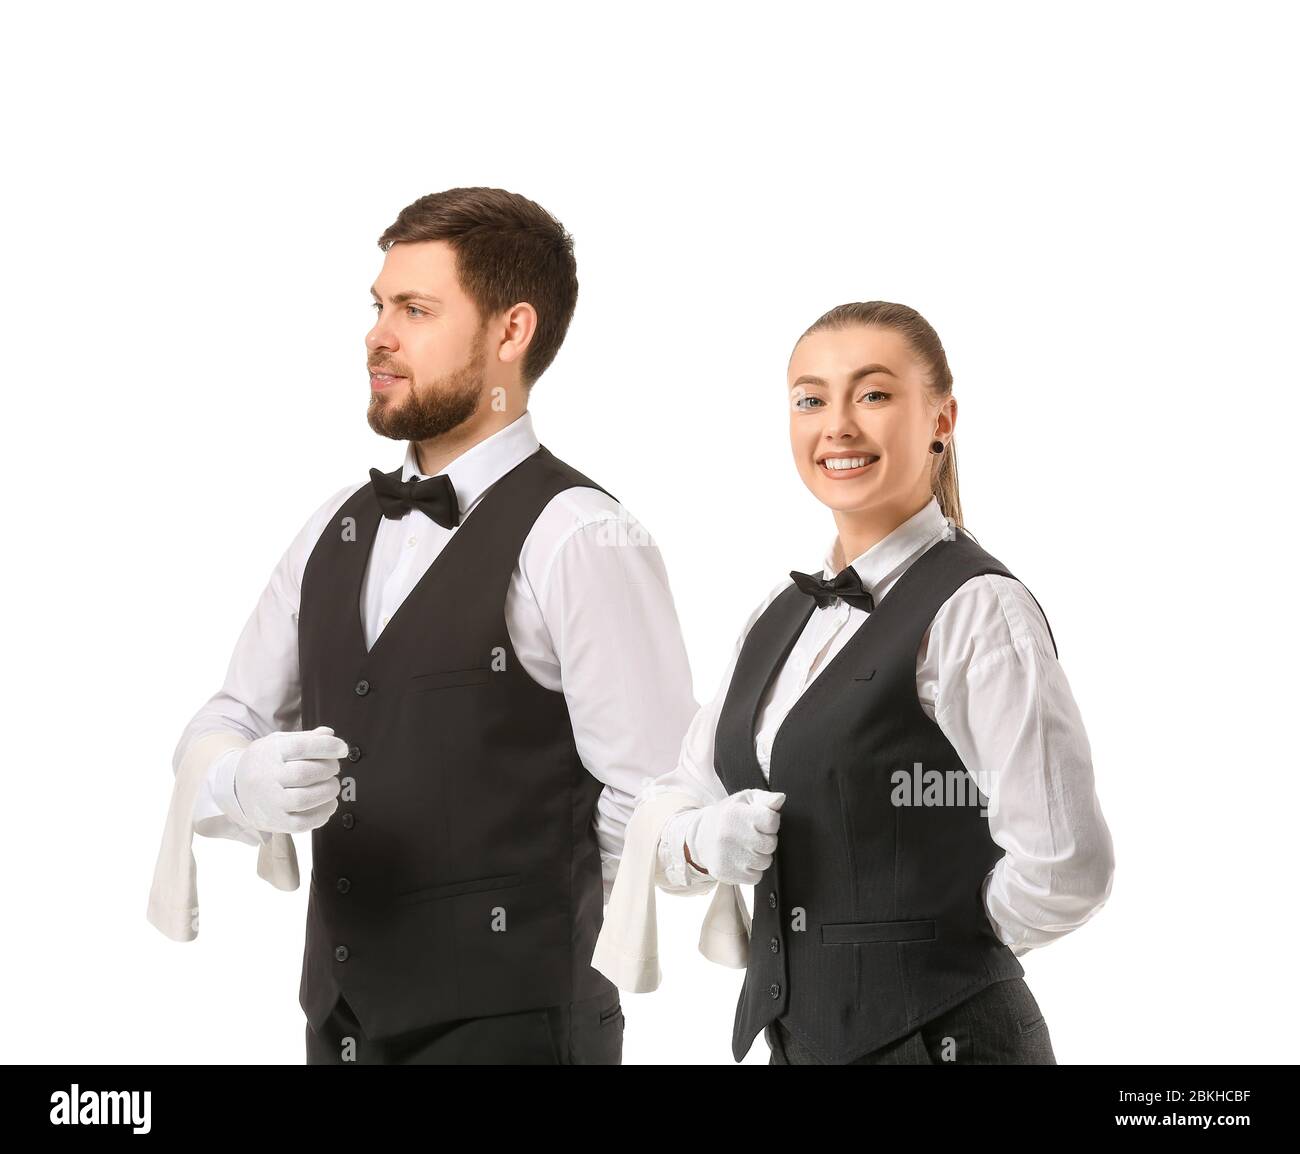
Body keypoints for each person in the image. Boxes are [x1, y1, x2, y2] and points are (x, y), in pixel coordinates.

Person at [147, 186, 697, 1065]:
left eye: (415, 309)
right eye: (377, 306)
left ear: (510, 334)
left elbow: (660, 803)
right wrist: (238, 781)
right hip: (337, 1029)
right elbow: (221, 724)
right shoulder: (335, 525)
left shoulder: (583, 536)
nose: (378, 334)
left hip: (520, 1036)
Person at [594, 300, 1115, 1065]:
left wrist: (933, 948)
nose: (836, 424)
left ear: (942, 419)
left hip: (948, 1043)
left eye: (872, 394)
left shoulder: (979, 609)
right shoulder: (780, 614)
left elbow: (1069, 861)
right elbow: (678, 794)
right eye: (811, 399)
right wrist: (704, 844)